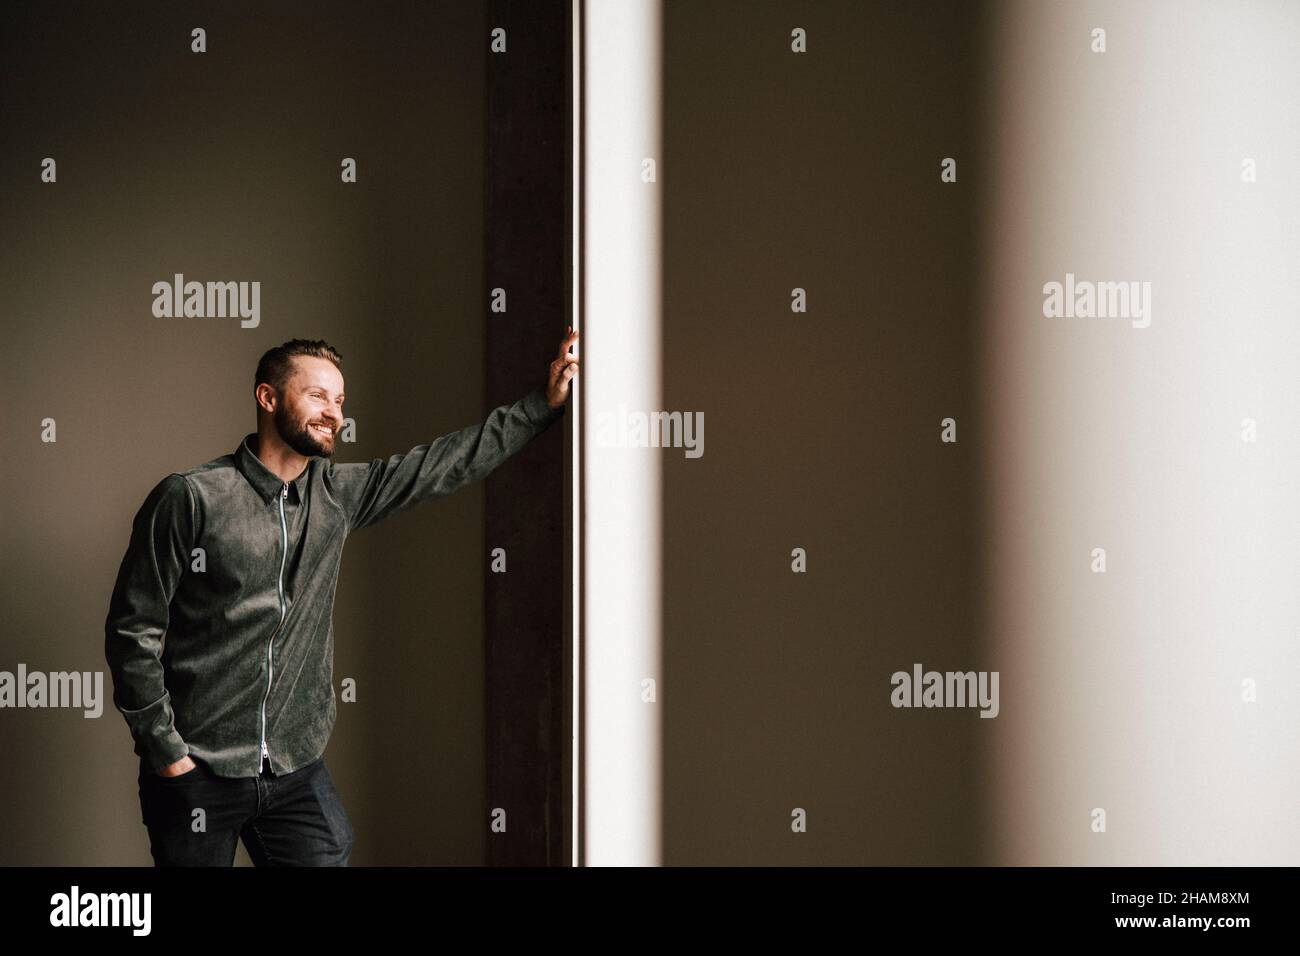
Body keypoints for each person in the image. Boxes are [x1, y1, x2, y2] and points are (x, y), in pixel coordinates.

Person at [104, 329, 578, 866]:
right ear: (268, 398)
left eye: (339, 400)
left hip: (294, 769)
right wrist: (166, 752)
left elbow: (445, 463)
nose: (334, 412)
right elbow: (132, 629)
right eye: (317, 395)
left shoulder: (338, 496)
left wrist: (543, 406)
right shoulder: (191, 497)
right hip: (200, 770)